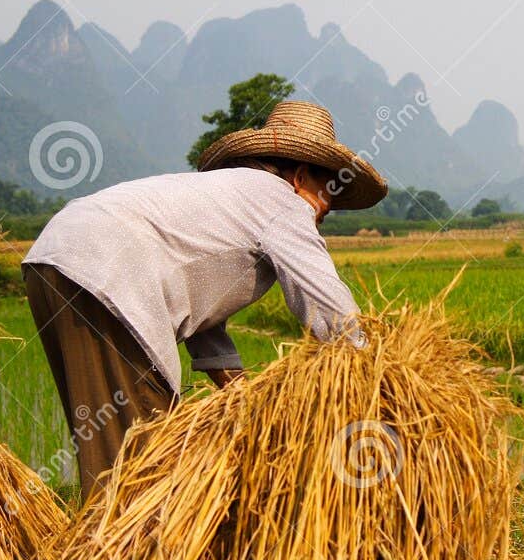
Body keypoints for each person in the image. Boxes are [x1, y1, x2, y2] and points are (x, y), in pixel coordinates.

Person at [21, 101, 387, 497]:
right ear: (299, 177)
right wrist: (379, 377)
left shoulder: (231, 196)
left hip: (54, 259)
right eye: (325, 196)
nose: (323, 212)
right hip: (113, 276)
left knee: (109, 457)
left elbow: (202, 323)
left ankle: (104, 549)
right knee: (144, 475)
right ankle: (121, 555)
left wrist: (243, 401)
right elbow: (326, 303)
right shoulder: (283, 202)